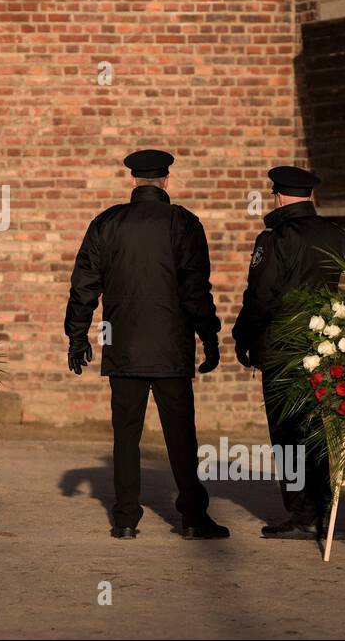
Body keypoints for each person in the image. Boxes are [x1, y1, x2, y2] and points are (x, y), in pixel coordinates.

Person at [65, 149, 229, 540]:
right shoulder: (184, 224)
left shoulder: (107, 223)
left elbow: (84, 285)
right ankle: (192, 517)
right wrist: (209, 335)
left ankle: (124, 518)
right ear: (166, 180)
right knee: (181, 435)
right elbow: (196, 290)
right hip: (172, 348)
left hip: (123, 346)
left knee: (126, 435)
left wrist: (76, 336)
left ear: (134, 180)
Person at [232, 165, 345, 539]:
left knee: (286, 433)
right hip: (323, 346)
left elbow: (261, 297)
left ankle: (302, 512)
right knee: (316, 428)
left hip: (282, 348)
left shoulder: (275, 239)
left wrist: (242, 335)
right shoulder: (338, 236)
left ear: (279, 195)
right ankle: (324, 507)